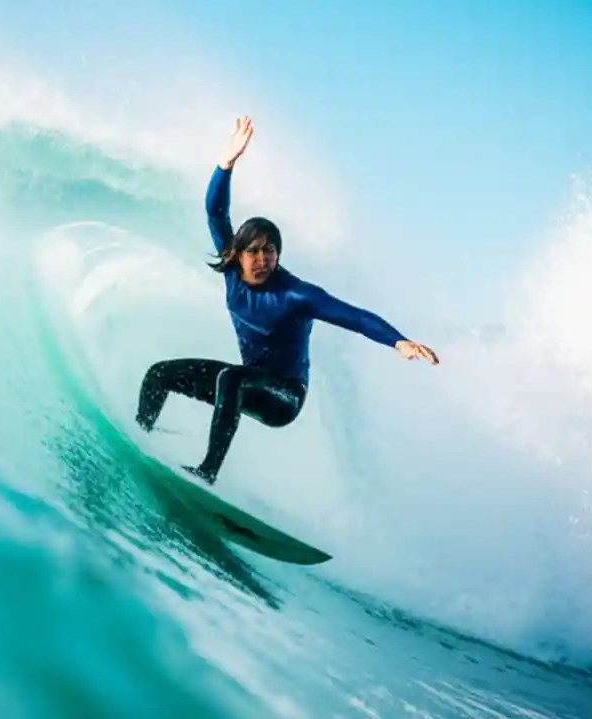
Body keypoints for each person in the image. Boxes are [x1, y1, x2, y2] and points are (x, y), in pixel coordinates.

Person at [136, 116, 439, 484]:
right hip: (248, 382)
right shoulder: (232, 271)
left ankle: (207, 472)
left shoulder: (297, 295)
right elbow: (215, 212)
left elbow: (356, 317)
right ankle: (140, 436)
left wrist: (398, 341)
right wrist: (225, 164)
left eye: (270, 251)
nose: (262, 259)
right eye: (253, 251)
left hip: (285, 397)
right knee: (159, 374)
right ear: (238, 254)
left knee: (231, 378)